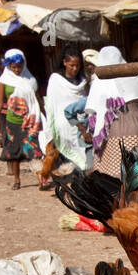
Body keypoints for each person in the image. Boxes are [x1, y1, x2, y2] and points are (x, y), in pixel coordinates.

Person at [84, 45, 138, 182]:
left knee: (114, 173)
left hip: (112, 131)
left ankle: (118, 201)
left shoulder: (99, 82)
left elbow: (95, 113)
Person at [40, 48, 90, 186]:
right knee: (63, 158)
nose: (75, 68)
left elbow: (85, 100)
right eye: (71, 65)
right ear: (64, 63)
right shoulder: (56, 80)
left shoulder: (82, 81)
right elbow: (51, 105)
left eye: (77, 65)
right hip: (62, 125)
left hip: (79, 125)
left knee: (82, 157)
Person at [0, 49, 41, 189]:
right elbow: (0, 101)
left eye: (19, 67)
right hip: (12, 120)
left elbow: (37, 99)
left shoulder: (30, 80)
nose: (17, 70)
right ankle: (17, 180)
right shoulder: (4, 81)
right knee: (14, 152)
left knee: (34, 150)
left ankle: (40, 178)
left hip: (30, 119)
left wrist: (43, 115)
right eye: (13, 67)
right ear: (8, 67)